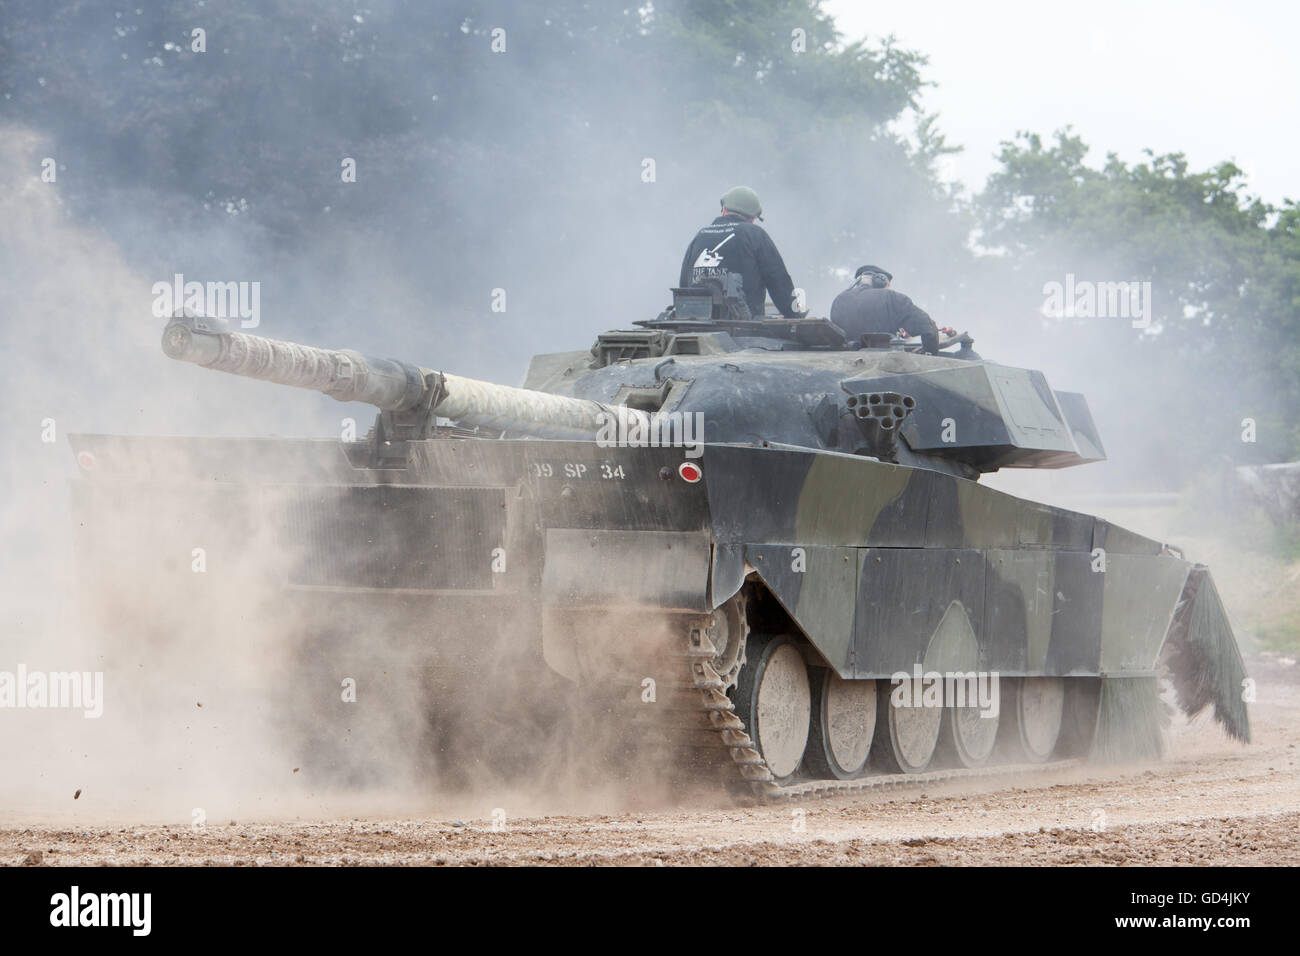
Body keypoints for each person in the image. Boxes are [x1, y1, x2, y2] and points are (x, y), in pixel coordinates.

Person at [680, 186, 805, 319]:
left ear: (724, 209)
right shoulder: (754, 234)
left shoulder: (700, 235)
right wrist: (795, 315)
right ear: (753, 217)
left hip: (697, 327)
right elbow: (779, 282)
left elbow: (683, 285)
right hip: (743, 331)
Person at [829, 265, 955, 354]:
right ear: (880, 281)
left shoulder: (839, 300)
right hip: (883, 364)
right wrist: (929, 356)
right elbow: (928, 328)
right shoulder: (891, 298)